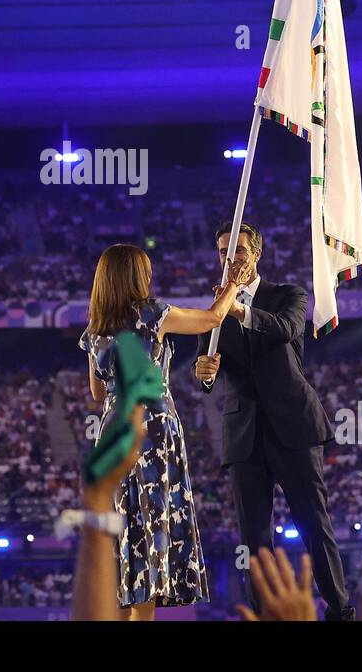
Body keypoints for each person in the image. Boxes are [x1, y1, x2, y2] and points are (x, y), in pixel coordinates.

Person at [194, 221, 355, 619]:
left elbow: (286, 329)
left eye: (239, 251)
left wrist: (240, 310)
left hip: (293, 428)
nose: (230, 260)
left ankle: (340, 611)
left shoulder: (288, 295)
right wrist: (206, 372)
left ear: (257, 254)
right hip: (244, 434)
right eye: (222, 253)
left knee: (315, 525)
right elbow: (208, 373)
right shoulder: (212, 312)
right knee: (254, 540)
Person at [78, 242, 245, 620]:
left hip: (113, 433)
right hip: (153, 431)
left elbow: (96, 391)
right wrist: (233, 283)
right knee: (151, 533)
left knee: (125, 536)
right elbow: (212, 319)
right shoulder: (152, 314)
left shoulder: (95, 331)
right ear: (136, 277)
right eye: (145, 271)